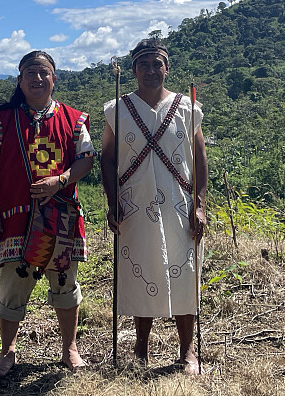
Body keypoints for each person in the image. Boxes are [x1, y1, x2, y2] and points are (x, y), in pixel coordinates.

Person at [0, 50, 95, 376]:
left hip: (61, 218)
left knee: (64, 281)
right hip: (16, 218)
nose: (37, 78)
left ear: (54, 78)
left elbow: (86, 158)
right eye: (30, 72)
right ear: (20, 80)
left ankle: (70, 349)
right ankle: (7, 351)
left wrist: (61, 180)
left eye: (44, 72)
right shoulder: (2, 120)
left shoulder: (73, 119)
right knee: (13, 285)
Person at [100, 38, 208, 374]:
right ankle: (141, 349)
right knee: (142, 272)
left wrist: (200, 204)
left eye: (157, 63)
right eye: (144, 64)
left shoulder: (188, 108)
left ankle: (188, 350)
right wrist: (112, 200)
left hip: (179, 203)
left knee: (185, 274)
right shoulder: (116, 109)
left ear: (167, 67)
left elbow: (200, 157)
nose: (151, 70)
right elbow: (107, 158)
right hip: (135, 203)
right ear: (133, 70)